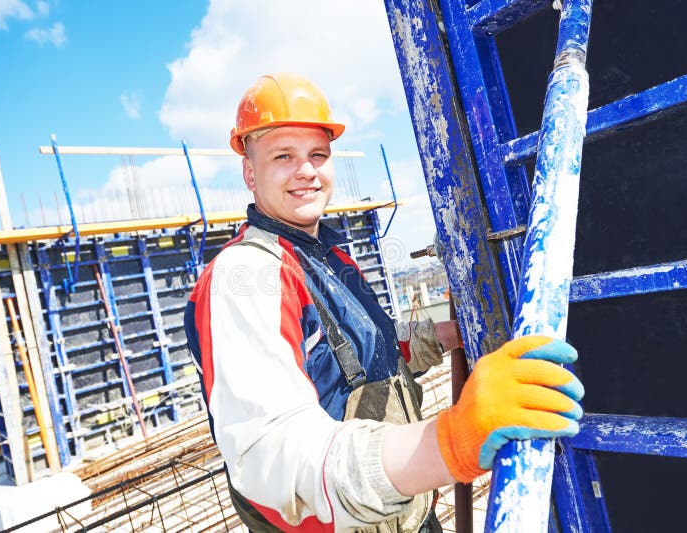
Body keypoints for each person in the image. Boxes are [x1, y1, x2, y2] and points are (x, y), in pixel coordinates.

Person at [184, 72, 584, 532]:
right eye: (283, 157)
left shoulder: (329, 257)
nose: (306, 171)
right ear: (250, 173)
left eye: (318, 154)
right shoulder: (245, 275)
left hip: (404, 514)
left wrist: (455, 334)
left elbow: (372, 354)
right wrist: (450, 442)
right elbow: (277, 454)